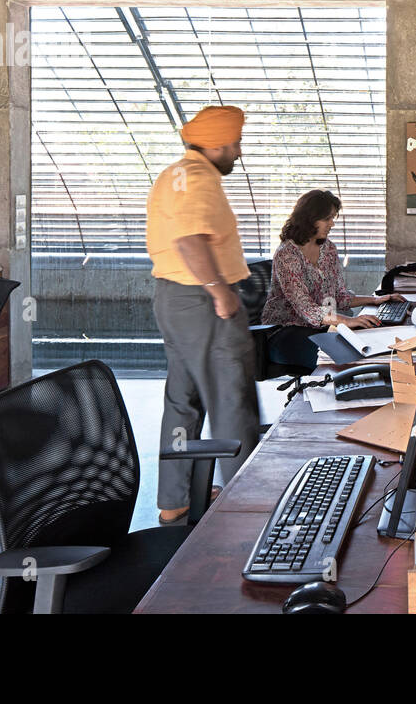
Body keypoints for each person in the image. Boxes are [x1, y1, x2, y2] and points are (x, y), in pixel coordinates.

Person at [145, 105, 261, 526]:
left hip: (173, 299)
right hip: (202, 301)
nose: (239, 153)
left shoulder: (174, 174)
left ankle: (176, 500)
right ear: (214, 144)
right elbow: (189, 239)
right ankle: (245, 504)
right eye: (234, 145)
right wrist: (219, 291)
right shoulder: (199, 179)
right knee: (231, 398)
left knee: (183, 402)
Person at [260, 189, 405, 369]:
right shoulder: (287, 254)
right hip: (284, 332)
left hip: (320, 327)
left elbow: (338, 296)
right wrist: (347, 321)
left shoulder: (328, 249)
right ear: (309, 218)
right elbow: (307, 309)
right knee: (344, 357)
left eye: (333, 218)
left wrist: (376, 300)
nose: (332, 224)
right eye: (327, 219)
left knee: (370, 342)